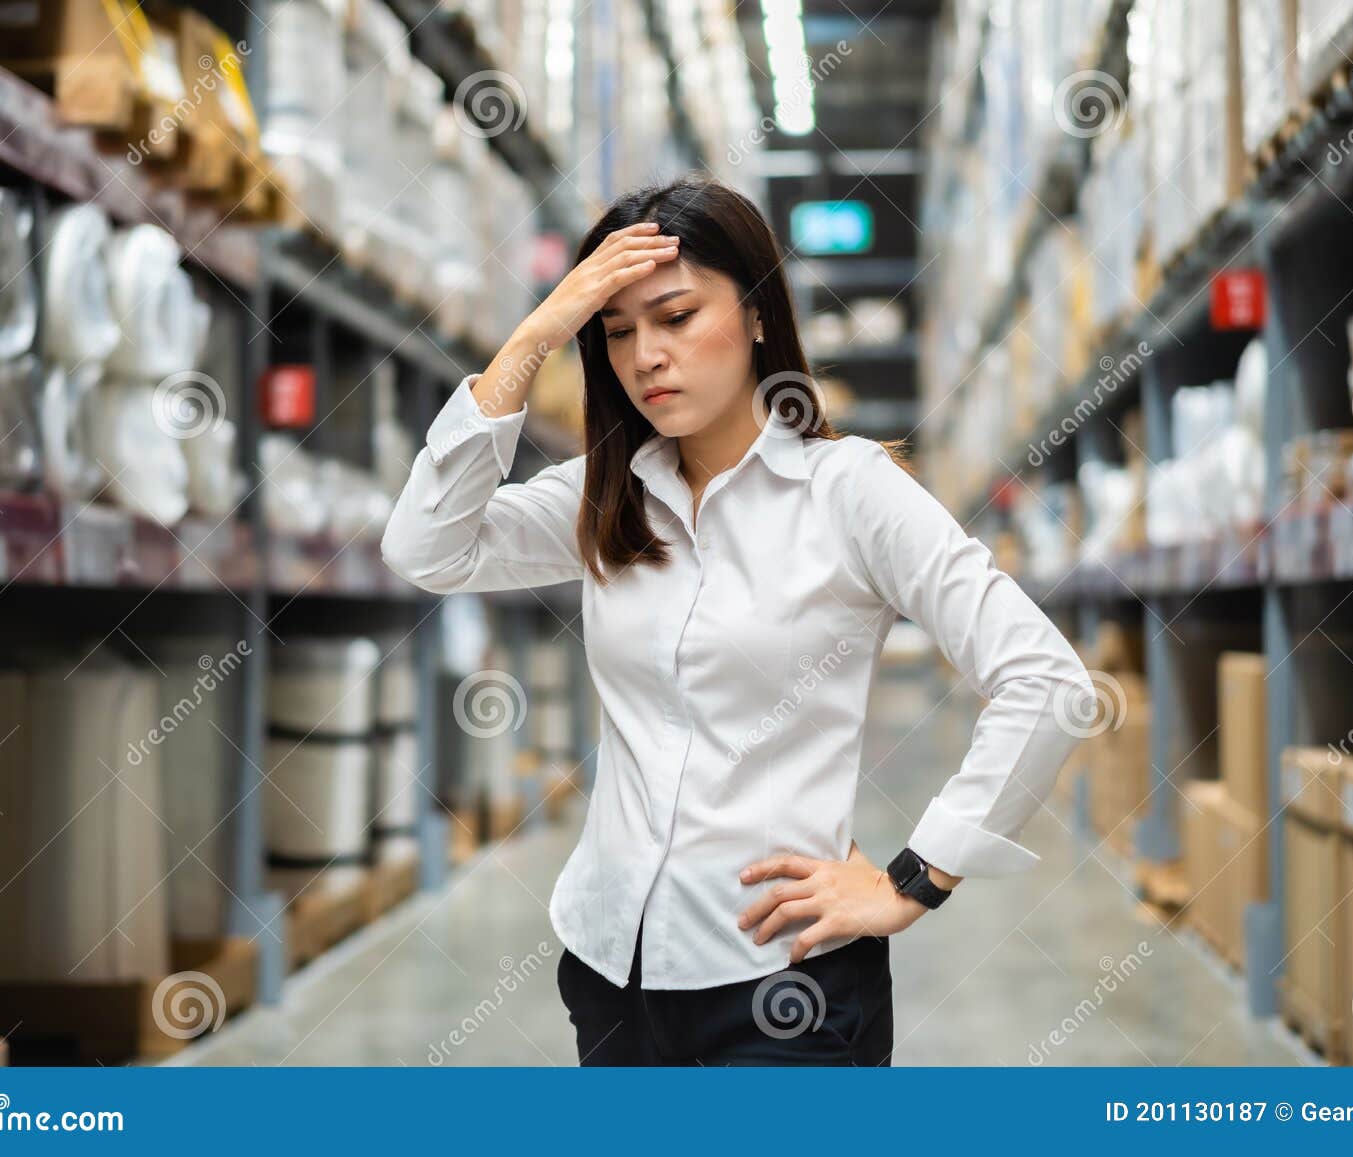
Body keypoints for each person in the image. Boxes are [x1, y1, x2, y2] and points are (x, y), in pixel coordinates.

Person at [381, 177, 1093, 1066]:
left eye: (677, 316)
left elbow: (1046, 682)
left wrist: (916, 877)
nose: (646, 356)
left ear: (758, 315)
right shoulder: (607, 495)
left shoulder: (848, 492)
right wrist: (534, 337)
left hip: (781, 982)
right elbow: (423, 548)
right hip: (610, 970)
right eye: (617, 331)